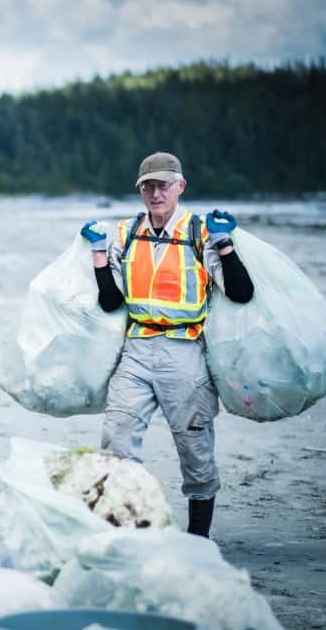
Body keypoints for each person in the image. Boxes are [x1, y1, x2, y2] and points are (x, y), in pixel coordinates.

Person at [79, 151, 254, 539]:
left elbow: (241, 293)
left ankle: (198, 539)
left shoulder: (200, 232)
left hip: (185, 351)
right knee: (116, 441)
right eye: (148, 186)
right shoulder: (124, 234)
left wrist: (225, 244)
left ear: (180, 187)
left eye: (163, 185)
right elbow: (110, 301)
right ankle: (126, 534)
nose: (156, 193)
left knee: (195, 450)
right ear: (141, 191)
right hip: (137, 350)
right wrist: (97, 253)